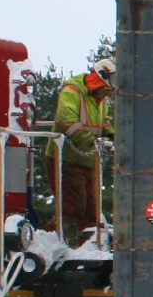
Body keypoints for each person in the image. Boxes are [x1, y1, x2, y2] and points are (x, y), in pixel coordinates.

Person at [49, 57, 115, 236]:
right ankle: (52, 239)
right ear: (98, 79)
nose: (107, 93)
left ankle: (88, 246)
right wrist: (90, 141)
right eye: (106, 88)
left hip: (88, 159)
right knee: (73, 205)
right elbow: (67, 121)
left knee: (92, 209)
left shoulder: (99, 98)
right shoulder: (72, 92)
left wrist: (111, 135)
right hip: (66, 157)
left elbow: (103, 122)